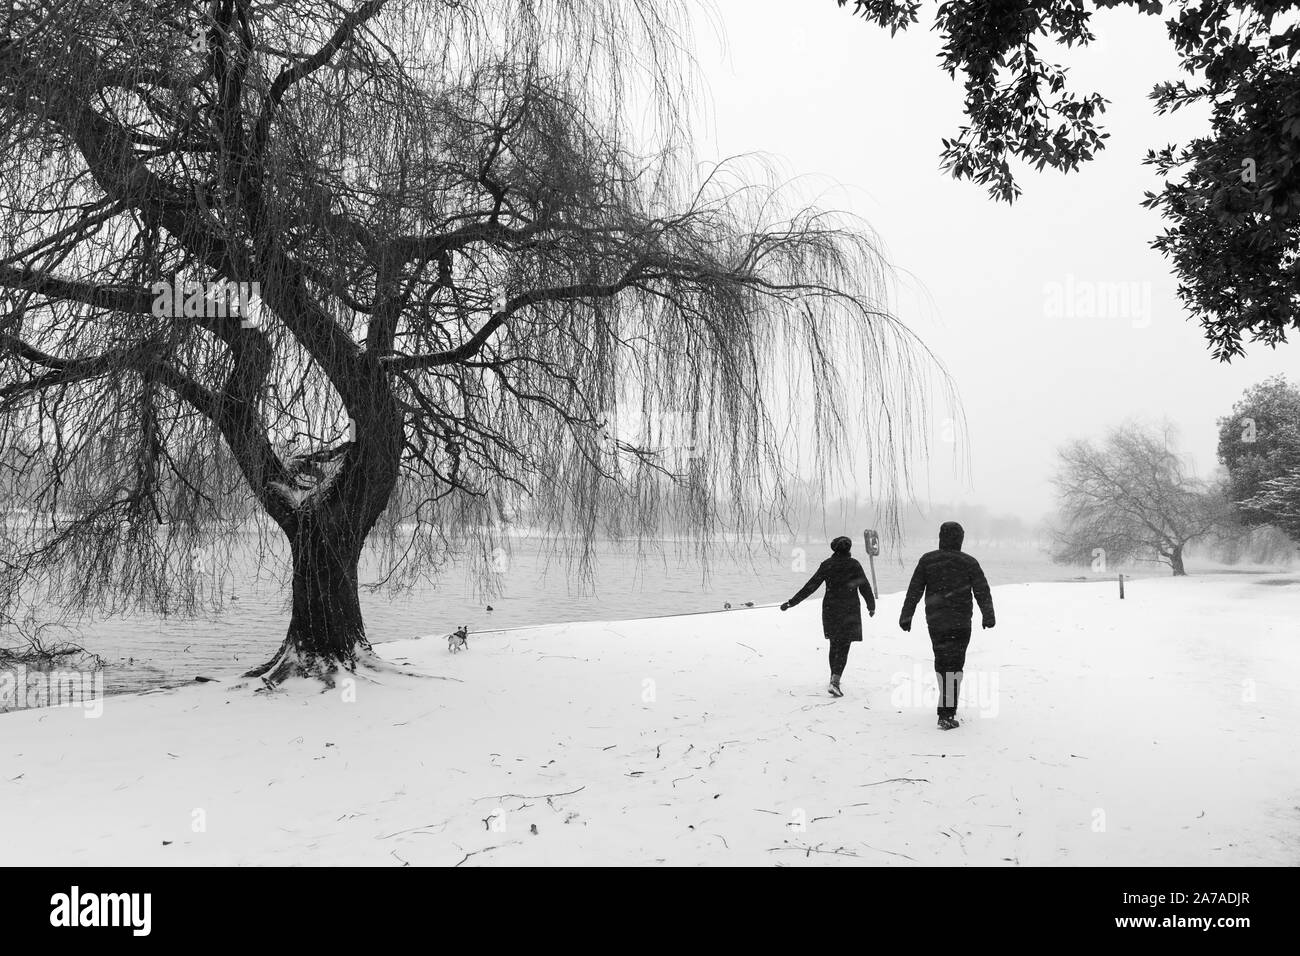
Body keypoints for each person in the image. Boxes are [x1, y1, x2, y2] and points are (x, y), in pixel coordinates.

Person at [898, 521, 995, 730]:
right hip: (960, 622)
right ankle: (947, 711)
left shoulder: (928, 560)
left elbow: (914, 590)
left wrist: (906, 615)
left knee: (942, 661)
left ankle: (946, 704)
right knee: (955, 664)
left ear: (941, 538)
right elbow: (982, 591)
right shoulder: (969, 562)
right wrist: (988, 615)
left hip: (936, 622)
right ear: (960, 539)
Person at [780, 535, 876, 697]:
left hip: (831, 609)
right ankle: (835, 681)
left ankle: (834, 677)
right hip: (849, 609)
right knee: (844, 645)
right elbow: (864, 586)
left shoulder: (828, 565)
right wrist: (871, 606)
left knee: (834, 643)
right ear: (849, 549)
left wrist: (792, 602)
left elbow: (810, 586)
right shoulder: (854, 565)